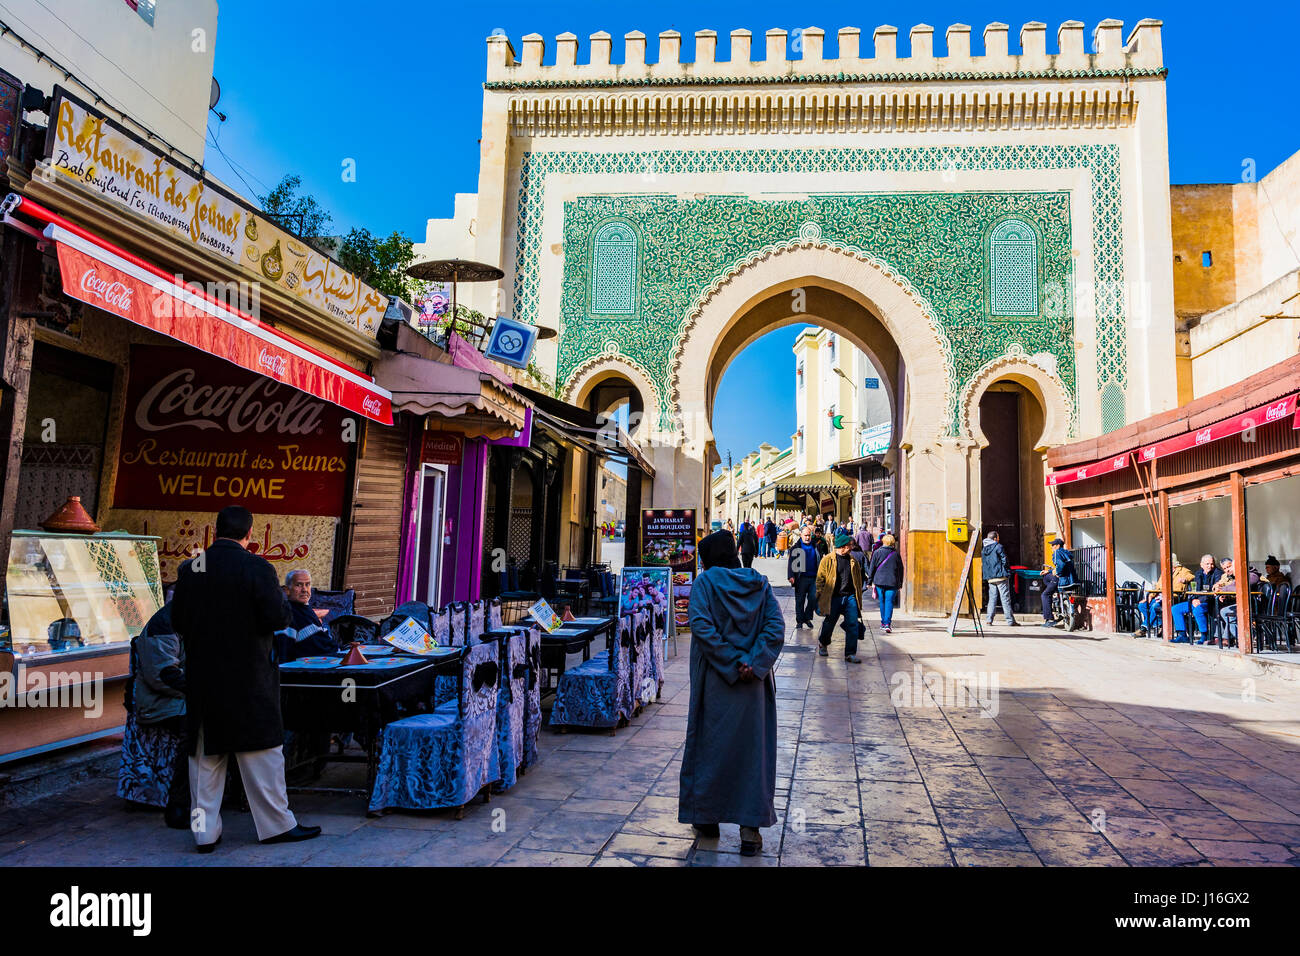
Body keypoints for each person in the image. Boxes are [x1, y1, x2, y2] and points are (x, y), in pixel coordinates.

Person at [170, 505, 321, 853]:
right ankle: (277, 826)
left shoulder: (191, 568)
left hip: (204, 679)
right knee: (262, 756)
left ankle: (203, 834)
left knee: (204, 759)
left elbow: (177, 621)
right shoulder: (257, 567)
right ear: (249, 534)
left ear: (215, 531)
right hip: (248, 679)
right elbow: (276, 616)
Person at [679, 530, 784, 858]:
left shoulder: (705, 584)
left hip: (715, 684)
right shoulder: (760, 585)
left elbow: (701, 626)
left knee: (709, 750)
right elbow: (775, 629)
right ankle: (750, 832)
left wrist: (731, 661)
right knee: (753, 754)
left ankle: (706, 818)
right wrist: (754, 662)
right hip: (753, 688)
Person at [116, 604, 190, 829]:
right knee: (197, 731)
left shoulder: (198, 614)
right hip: (163, 702)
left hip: (182, 696)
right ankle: (181, 802)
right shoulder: (165, 623)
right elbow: (164, 675)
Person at [815, 533, 865, 662]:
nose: (852, 547)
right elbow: (820, 579)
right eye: (850, 545)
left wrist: (858, 595)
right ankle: (823, 643)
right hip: (833, 597)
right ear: (843, 546)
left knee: (853, 624)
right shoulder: (827, 560)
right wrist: (820, 596)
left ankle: (850, 653)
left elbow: (858, 580)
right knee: (829, 623)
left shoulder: (853, 560)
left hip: (850, 597)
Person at [275, 569, 338, 662]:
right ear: (287, 590)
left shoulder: (305, 609)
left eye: (307, 584)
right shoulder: (287, 614)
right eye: (298, 585)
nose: (304, 589)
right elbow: (283, 655)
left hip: (330, 660)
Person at [1132, 554, 1195, 637]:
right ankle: (1160, 625)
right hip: (1161, 597)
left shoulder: (1183, 571)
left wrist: (1185, 579)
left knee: (1155, 606)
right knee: (1142, 605)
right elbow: (1158, 587)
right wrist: (1151, 596)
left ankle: (1144, 629)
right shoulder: (1164, 572)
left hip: (1174, 598)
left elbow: (1192, 576)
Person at [1170, 554, 1221, 643]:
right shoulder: (1198, 573)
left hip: (1209, 602)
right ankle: (1182, 635)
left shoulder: (1217, 573)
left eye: (1212, 564)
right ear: (1201, 565)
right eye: (1207, 564)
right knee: (1175, 609)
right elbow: (1195, 589)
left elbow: (1214, 592)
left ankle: (1204, 635)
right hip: (1196, 601)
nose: (1210, 566)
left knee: (1197, 610)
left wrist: (1200, 600)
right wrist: (1193, 599)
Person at [867, 533, 904, 634]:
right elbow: (901, 570)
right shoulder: (896, 554)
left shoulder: (877, 553)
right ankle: (887, 623)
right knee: (889, 602)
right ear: (892, 543)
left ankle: (883, 623)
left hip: (879, 581)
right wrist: (900, 583)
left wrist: (869, 581)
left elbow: (872, 568)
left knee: (882, 602)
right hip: (892, 582)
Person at [981, 530, 1018, 626]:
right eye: (998, 537)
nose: (999, 539)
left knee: (992, 599)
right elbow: (1004, 560)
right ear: (994, 539)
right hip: (1001, 577)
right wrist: (1007, 571)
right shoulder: (998, 546)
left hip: (991, 578)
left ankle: (989, 620)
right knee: (1005, 599)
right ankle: (1010, 621)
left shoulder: (984, 549)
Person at [787, 525, 821, 629]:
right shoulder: (796, 547)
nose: (807, 537)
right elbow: (791, 562)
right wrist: (791, 576)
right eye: (805, 535)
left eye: (809, 535)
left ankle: (807, 617)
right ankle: (800, 620)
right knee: (800, 600)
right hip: (800, 578)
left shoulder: (816, 546)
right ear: (801, 535)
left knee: (813, 598)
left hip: (814, 577)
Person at [1039, 538, 1076, 626]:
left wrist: (1058, 573)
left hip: (1062, 580)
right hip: (1071, 580)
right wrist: (1050, 571)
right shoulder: (1066, 553)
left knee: (1045, 595)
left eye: (1053, 545)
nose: (1052, 547)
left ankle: (1049, 619)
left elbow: (1061, 565)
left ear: (1058, 546)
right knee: (1047, 576)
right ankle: (1056, 596)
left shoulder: (1057, 552)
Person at [1210, 560, 1238, 647]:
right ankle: (1219, 636)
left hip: (1240, 602)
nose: (1227, 570)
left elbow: (1232, 586)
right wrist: (1217, 588)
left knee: (1224, 611)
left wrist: (1223, 591)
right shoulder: (1225, 576)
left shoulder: (1240, 575)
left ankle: (1227, 638)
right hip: (1231, 600)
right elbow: (1218, 584)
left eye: (1229, 567)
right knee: (1217, 608)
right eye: (1225, 568)